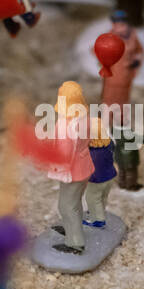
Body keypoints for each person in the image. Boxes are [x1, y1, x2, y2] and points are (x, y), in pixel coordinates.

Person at [45, 81, 94, 254]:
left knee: (66, 206)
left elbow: (63, 154)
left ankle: (75, 242)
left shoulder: (65, 125)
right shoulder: (85, 117)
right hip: (84, 165)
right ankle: (73, 228)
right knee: (75, 203)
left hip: (71, 171)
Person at [101, 9, 144, 190]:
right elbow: (97, 51)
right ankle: (107, 129)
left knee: (122, 105)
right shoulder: (108, 38)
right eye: (116, 23)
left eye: (122, 23)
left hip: (125, 78)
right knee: (109, 103)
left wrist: (135, 61)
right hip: (112, 78)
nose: (119, 27)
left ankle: (120, 127)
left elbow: (140, 53)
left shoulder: (133, 37)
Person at [83, 114, 116, 229]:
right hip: (111, 175)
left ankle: (97, 220)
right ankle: (100, 212)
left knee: (92, 198)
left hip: (98, 180)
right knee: (103, 197)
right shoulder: (109, 143)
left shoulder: (92, 152)